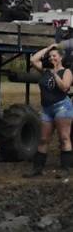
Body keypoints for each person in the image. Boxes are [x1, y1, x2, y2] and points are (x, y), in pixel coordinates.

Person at [30, 43, 73, 176]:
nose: (51, 58)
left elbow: (65, 87)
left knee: (64, 138)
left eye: (54, 56)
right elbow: (33, 60)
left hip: (62, 107)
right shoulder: (45, 70)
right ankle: (37, 169)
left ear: (60, 58)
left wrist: (55, 74)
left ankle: (66, 169)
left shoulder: (67, 72)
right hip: (47, 108)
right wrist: (48, 48)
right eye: (50, 56)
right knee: (43, 139)